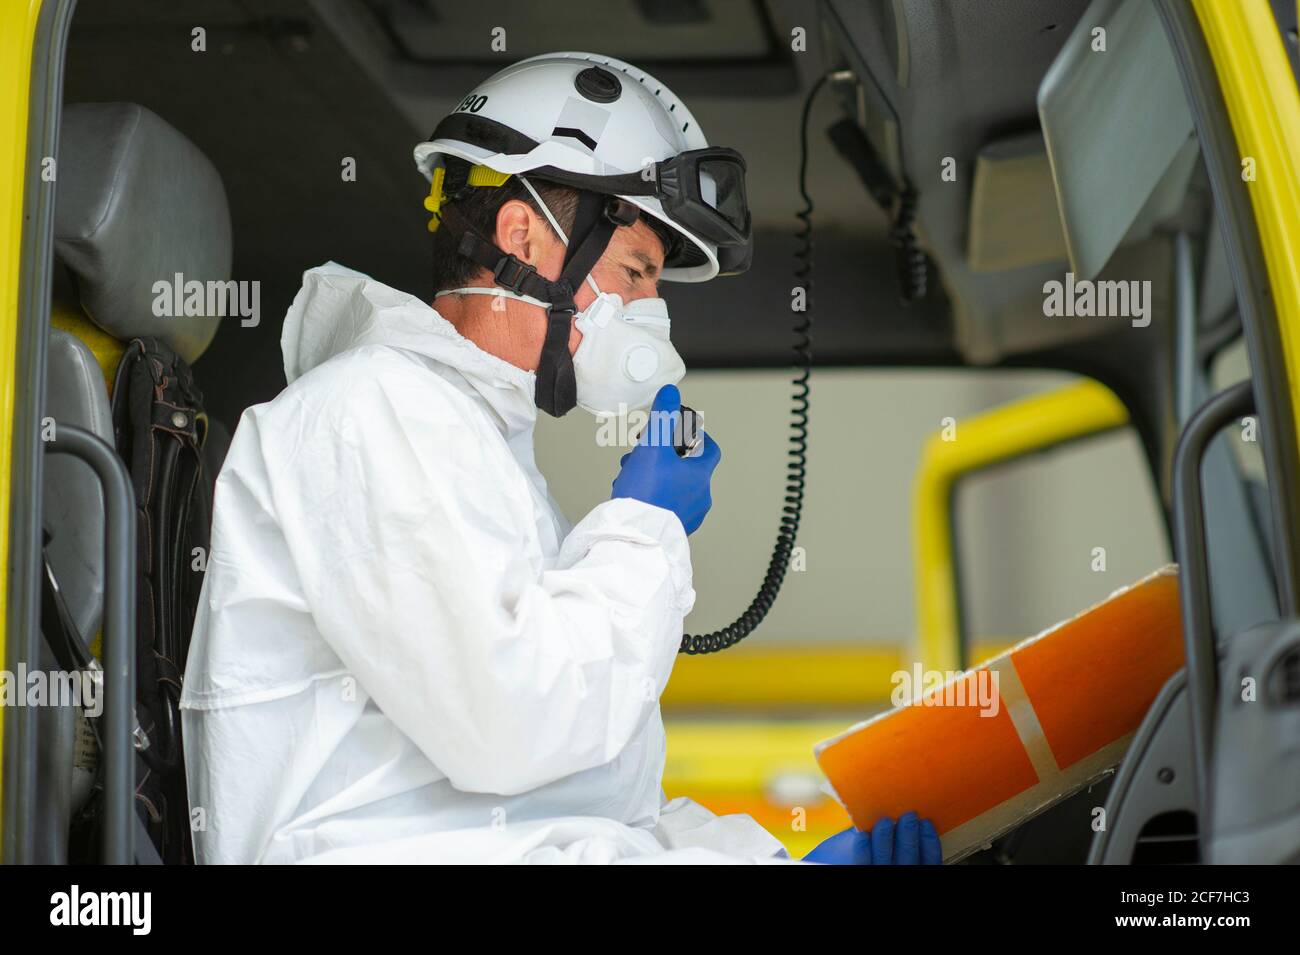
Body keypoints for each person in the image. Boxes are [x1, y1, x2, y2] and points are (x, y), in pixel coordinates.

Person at [180, 51, 940, 864]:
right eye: (637, 273)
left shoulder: (475, 447)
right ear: (523, 235)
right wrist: (644, 526)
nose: (652, 314)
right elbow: (513, 719)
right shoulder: (372, 415)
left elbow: (594, 807)